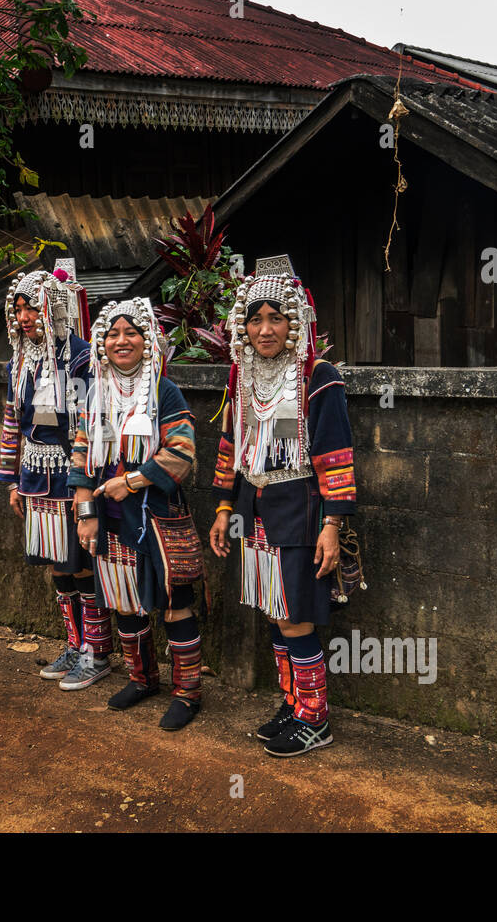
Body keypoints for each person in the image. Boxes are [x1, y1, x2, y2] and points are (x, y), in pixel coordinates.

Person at [208, 271, 356, 757]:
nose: (265, 330)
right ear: (243, 328)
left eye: (276, 319)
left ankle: (316, 719)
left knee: (295, 618)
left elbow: (336, 453)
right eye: (255, 320)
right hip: (256, 512)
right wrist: (225, 507)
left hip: (302, 514)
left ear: (295, 324)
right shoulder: (243, 376)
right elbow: (233, 446)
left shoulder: (318, 377)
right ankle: (293, 705)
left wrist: (332, 526)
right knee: (275, 613)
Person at [68, 298, 204, 730]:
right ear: (101, 343)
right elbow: (81, 455)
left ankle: (188, 693)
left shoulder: (165, 391)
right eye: (112, 334)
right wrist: (86, 511)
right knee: (125, 604)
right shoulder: (96, 390)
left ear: (148, 342)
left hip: (158, 518)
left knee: (174, 605)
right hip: (111, 519)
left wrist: (131, 482)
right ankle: (142, 678)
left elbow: (181, 455)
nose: (121, 341)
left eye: (131, 333)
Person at [0, 267, 113, 690]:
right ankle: (74, 642)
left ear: (55, 307)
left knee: (81, 563)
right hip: (32, 478)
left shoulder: (82, 357)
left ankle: (97, 651)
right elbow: (12, 421)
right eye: (19, 309)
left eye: (33, 307)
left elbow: (89, 424)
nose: (24, 316)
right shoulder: (19, 362)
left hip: (69, 477)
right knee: (55, 566)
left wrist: (84, 488)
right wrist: (11, 481)